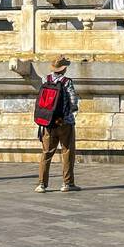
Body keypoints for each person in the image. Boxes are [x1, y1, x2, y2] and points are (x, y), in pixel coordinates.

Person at [36, 56, 80, 194]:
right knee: (67, 151)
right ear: (64, 69)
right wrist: (71, 110)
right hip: (64, 121)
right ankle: (68, 183)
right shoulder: (67, 82)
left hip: (48, 121)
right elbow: (73, 101)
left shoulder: (45, 80)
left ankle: (42, 184)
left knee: (47, 152)